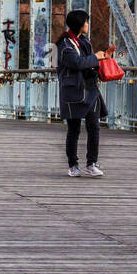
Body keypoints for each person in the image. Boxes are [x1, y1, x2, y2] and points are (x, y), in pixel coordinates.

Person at [56, 9, 112, 178]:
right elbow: (77, 63)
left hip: (90, 89)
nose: (87, 24)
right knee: (74, 129)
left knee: (94, 127)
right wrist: (97, 57)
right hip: (74, 92)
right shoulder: (65, 45)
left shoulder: (84, 42)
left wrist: (105, 58)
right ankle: (73, 165)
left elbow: (89, 63)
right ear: (78, 24)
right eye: (85, 22)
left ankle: (91, 163)